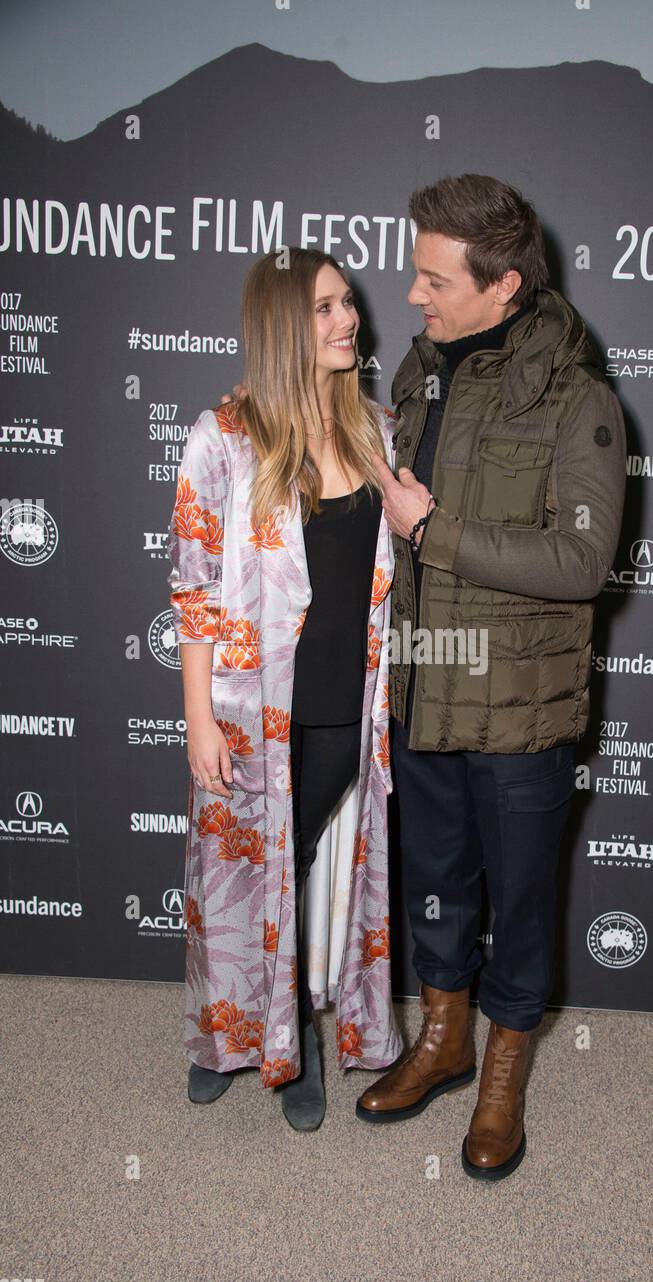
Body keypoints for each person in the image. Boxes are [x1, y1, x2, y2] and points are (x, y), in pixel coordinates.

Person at [356, 174, 627, 1181]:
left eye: (433, 277)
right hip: (428, 688)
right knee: (435, 888)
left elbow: (581, 564)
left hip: (520, 711)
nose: (414, 294)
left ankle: (503, 1074)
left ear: (502, 283)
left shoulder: (580, 399)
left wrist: (436, 527)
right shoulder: (425, 378)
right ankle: (445, 1038)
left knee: (519, 901)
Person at [167, 247, 402, 1133]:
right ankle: (222, 1040)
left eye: (347, 304)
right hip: (248, 709)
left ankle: (289, 1029)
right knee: (233, 878)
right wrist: (198, 720)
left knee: (304, 872)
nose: (349, 321)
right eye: (325, 308)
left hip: (351, 703)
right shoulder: (222, 438)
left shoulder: (376, 432)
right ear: (279, 326)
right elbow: (192, 595)